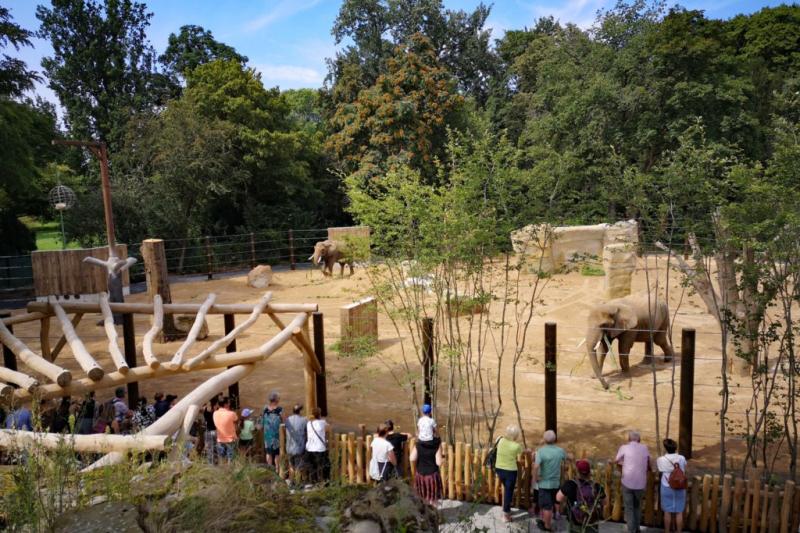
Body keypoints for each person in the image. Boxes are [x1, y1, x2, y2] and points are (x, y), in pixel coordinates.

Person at [615, 430, 651, 533]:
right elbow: (649, 464)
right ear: (639, 440)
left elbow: (616, 460)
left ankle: (631, 530)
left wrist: (624, 462)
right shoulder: (644, 448)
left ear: (628, 439)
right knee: (637, 506)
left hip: (627, 482)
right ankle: (637, 528)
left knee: (629, 508)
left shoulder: (624, 448)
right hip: (640, 483)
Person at [557, 460, 606, 533]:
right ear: (589, 472)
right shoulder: (597, 486)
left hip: (575, 522)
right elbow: (605, 502)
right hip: (592, 522)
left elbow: (558, 498)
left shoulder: (570, 484)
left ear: (577, 472)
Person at [534, 430, 567, 532]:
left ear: (544, 439)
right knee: (551, 504)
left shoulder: (541, 451)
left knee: (547, 507)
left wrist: (536, 478)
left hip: (544, 484)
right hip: (556, 483)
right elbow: (568, 458)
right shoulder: (560, 451)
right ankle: (545, 521)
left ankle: (547, 526)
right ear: (555, 439)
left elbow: (536, 467)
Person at [495, 424, 525, 523]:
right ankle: (506, 515)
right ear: (516, 435)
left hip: (499, 469)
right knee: (509, 492)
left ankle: (505, 508)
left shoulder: (499, 439)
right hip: (510, 472)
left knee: (507, 489)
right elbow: (522, 453)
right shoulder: (516, 446)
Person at [657, 438, 687, 532]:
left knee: (667, 512)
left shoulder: (661, 459)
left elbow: (660, 470)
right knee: (679, 512)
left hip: (666, 486)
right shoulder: (681, 458)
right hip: (680, 486)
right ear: (675, 448)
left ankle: (667, 531)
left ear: (666, 448)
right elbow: (684, 467)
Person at [410, 432, 443, 505]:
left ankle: (426, 513)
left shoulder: (418, 444)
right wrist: (443, 459)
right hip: (432, 475)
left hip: (420, 474)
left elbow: (412, 458)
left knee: (422, 496)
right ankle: (434, 514)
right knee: (433, 498)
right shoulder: (436, 444)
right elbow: (439, 462)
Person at [306, 407, 330, 483]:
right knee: (324, 466)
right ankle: (325, 481)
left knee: (313, 467)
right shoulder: (322, 423)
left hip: (310, 448)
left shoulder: (309, 423)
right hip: (320, 448)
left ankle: (314, 482)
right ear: (320, 414)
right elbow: (329, 429)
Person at [262, 391, 284, 467]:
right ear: (276, 400)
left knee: (268, 452)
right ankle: (277, 469)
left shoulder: (265, 409)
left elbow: (263, 420)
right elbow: (283, 420)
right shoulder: (279, 409)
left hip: (267, 435)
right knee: (277, 453)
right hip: (276, 434)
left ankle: (269, 469)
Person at [213, 396, 238, 462]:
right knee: (231, 460)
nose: (229, 404)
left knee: (221, 460)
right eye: (229, 402)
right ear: (226, 404)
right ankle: (230, 472)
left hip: (220, 439)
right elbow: (236, 422)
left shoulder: (215, 413)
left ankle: (222, 471)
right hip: (231, 439)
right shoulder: (232, 414)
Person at [285, 404, 307, 479]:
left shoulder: (287, 420)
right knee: (298, 466)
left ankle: (292, 482)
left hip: (289, 447)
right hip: (299, 447)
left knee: (291, 465)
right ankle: (298, 483)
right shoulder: (304, 420)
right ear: (300, 411)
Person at [202, 396, 219, 464]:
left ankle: (210, 464)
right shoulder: (216, 412)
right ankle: (216, 463)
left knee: (209, 449)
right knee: (216, 448)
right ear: (215, 404)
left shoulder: (206, 410)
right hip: (215, 431)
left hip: (208, 431)